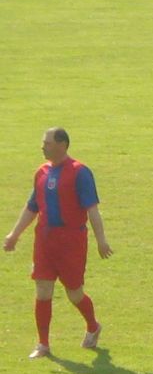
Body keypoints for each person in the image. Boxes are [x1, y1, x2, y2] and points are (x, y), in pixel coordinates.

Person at [3, 128, 113, 360]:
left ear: (62, 144)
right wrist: (14, 234)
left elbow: (92, 209)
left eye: (48, 143)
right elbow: (33, 207)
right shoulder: (41, 173)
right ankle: (43, 345)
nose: (43, 147)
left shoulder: (80, 172)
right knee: (43, 290)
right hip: (44, 240)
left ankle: (93, 326)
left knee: (74, 294)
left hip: (71, 241)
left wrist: (101, 240)